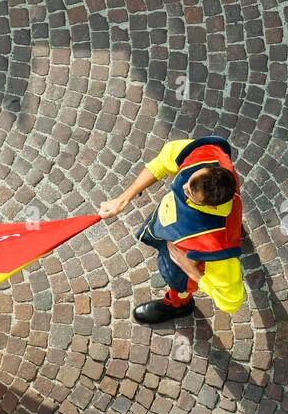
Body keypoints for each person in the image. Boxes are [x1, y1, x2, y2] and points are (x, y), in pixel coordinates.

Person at [99, 136, 245, 323]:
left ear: (212, 207)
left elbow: (231, 302)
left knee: (178, 282)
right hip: (174, 227)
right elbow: (163, 161)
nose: (182, 186)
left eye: (189, 193)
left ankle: (179, 305)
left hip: (186, 260)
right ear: (211, 168)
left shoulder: (219, 249)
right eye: (189, 181)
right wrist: (125, 197)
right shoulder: (203, 154)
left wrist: (192, 272)